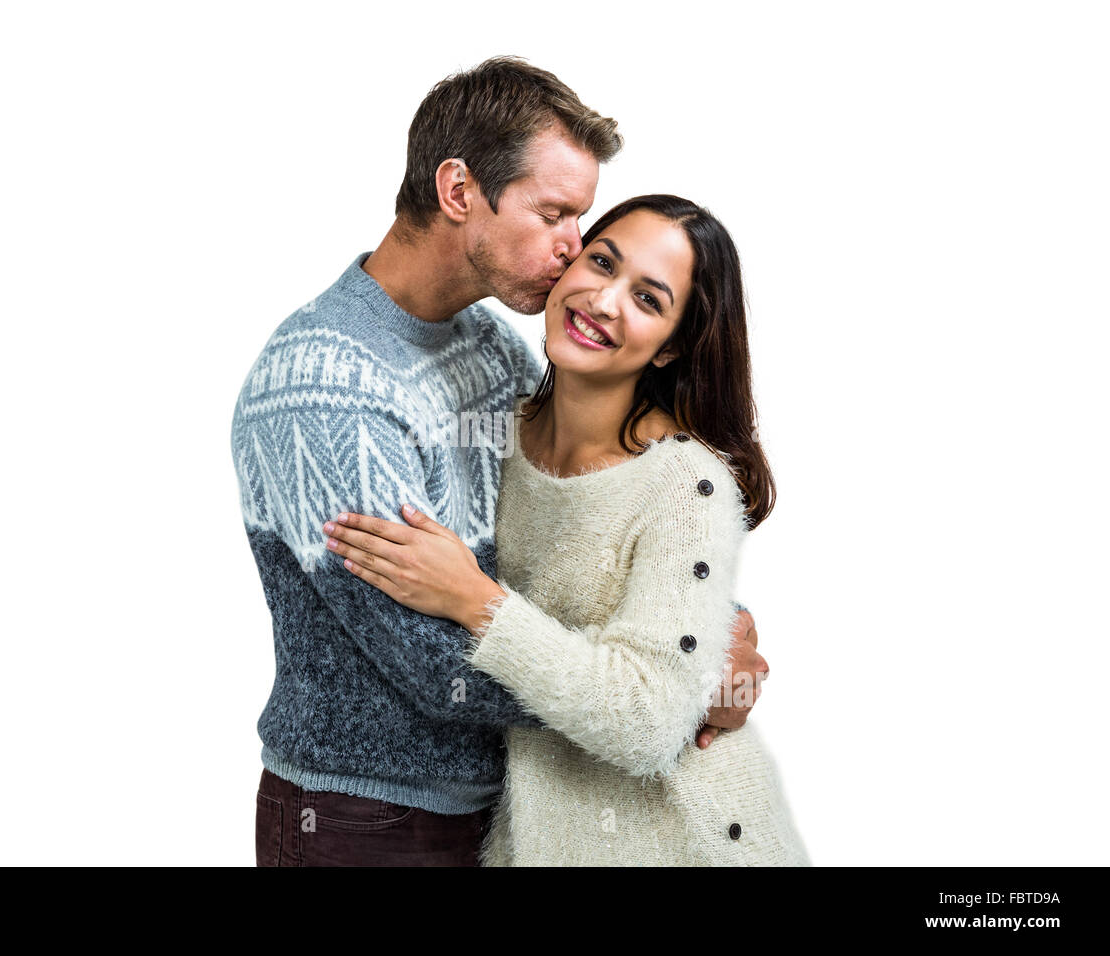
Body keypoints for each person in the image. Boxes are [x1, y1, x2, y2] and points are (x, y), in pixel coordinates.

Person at [232, 58, 765, 867]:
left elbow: (559, 553)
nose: (573, 248)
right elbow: (430, 662)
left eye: (580, 220)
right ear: (458, 192)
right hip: (364, 824)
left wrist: (694, 632)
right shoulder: (325, 385)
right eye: (555, 214)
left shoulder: (484, 347)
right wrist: (670, 686)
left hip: (505, 816)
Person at [324, 194, 809, 865]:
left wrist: (475, 602)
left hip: (686, 842)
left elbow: (646, 722)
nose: (605, 301)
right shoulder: (494, 429)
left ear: (670, 348)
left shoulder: (685, 484)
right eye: (601, 262)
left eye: (648, 299)